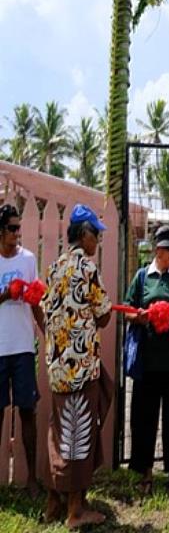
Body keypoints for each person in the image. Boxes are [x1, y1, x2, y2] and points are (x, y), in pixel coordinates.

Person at [41, 204, 112, 528]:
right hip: (81, 368)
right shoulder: (86, 268)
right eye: (96, 234)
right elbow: (104, 314)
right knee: (78, 433)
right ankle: (75, 511)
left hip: (58, 368)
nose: (97, 240)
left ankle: (55, 500)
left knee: (60, 431)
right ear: (84, 234)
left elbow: (44, 310)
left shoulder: (54, 268)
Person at [125, 224, 169, 495]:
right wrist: (141, 316)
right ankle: (144, 472)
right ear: (157, 251)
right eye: (168, 252)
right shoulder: (144, 277)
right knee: (145, 417)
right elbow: (129, 309)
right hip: (148, 362)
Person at [0, 204, 44, 497]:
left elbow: (36, 302)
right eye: (13, 228)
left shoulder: (28, 259)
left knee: (27, 411)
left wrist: (47, 333)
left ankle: (31, 481)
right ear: (1, 231)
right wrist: (7, 293)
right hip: (0, 349)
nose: (18, 233)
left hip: (24, 347)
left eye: (19, 228)